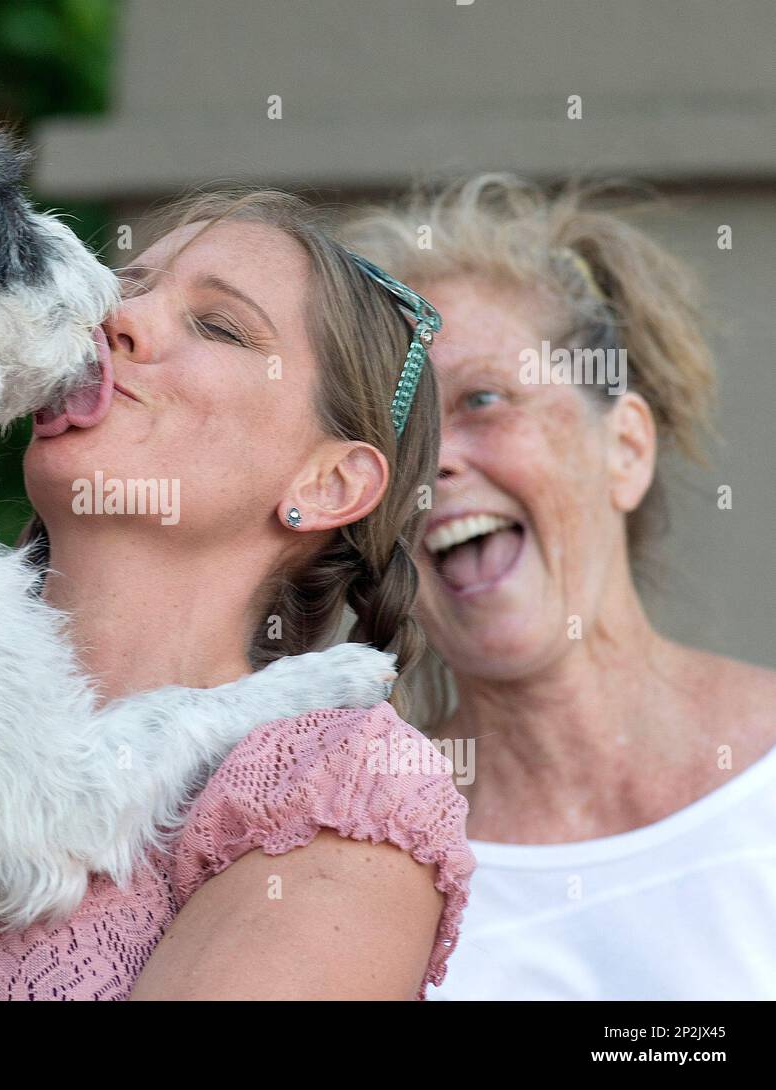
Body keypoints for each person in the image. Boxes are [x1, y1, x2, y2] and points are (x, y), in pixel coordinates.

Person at [0, 188, 473, 1001]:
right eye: (122, 290)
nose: (114, 322)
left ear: (329, 482)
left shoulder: (333, 788)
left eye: (219, 325)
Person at [345, 174, 776, 999]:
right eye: (402, 436)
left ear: (625, 451)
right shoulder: (353, 845)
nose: (435, 460)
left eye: (484, 399)